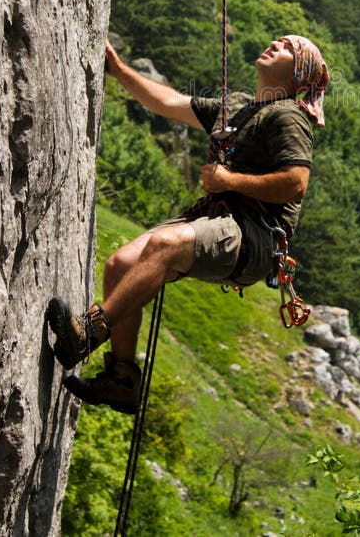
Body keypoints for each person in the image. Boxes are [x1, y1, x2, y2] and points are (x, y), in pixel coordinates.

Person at [47, 35, 329, 414]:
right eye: (276, 40)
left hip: (254, 234)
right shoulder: (237, 108)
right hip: (219, 217)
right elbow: (170, 103)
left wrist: (230, 181)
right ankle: (122, 379)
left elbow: (296, 182)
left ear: (298, 75)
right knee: (121, 266)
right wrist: (118, 71)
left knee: (163, 248)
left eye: (286, 47)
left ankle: (90, 331)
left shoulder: (288, 115)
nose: (274, 44)